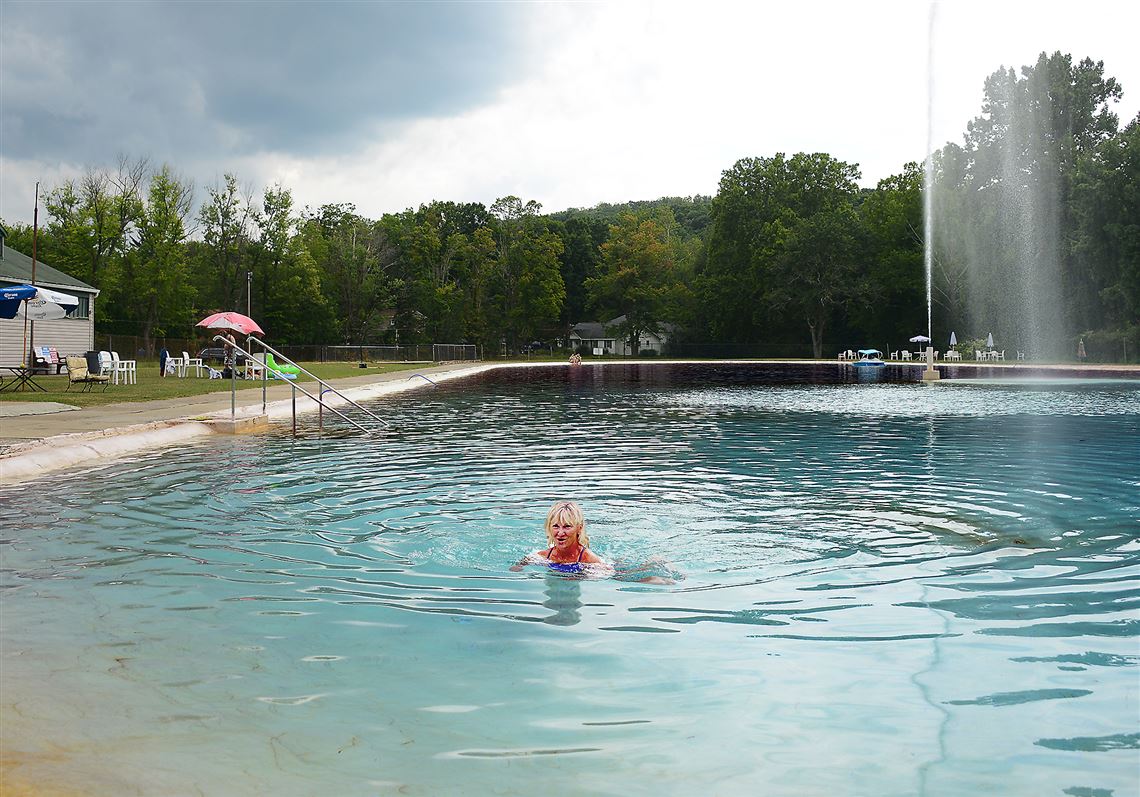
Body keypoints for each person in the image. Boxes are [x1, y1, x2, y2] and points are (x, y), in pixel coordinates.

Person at [512, 501, 606, 574]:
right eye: (556, 526)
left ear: (579, 528)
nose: (560, 533)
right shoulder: (543, 556)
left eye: (567, 526)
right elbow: (521, 564)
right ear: (549, 528)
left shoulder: (590, 560)